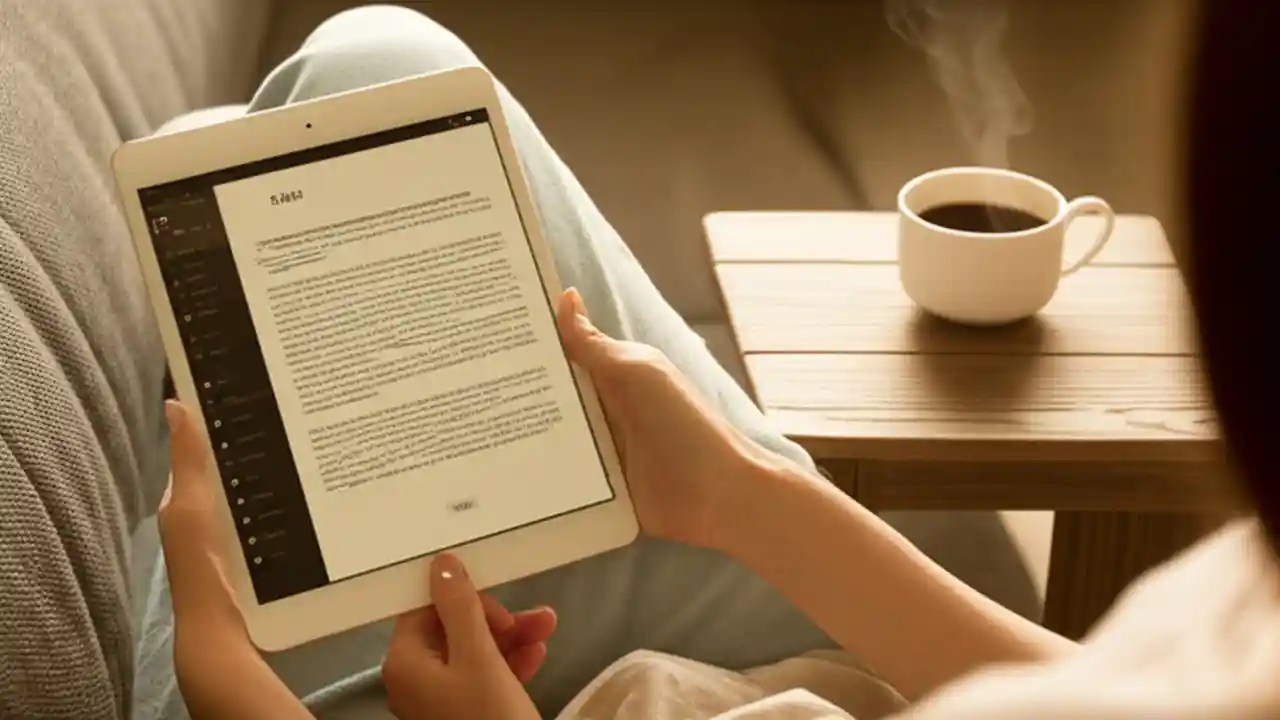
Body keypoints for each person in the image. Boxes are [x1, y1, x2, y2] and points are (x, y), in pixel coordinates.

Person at [155, 2, 1280, 717]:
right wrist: (741, 498)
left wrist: (221, 676)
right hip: (802, 665)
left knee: (305, 114)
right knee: (354, 86)